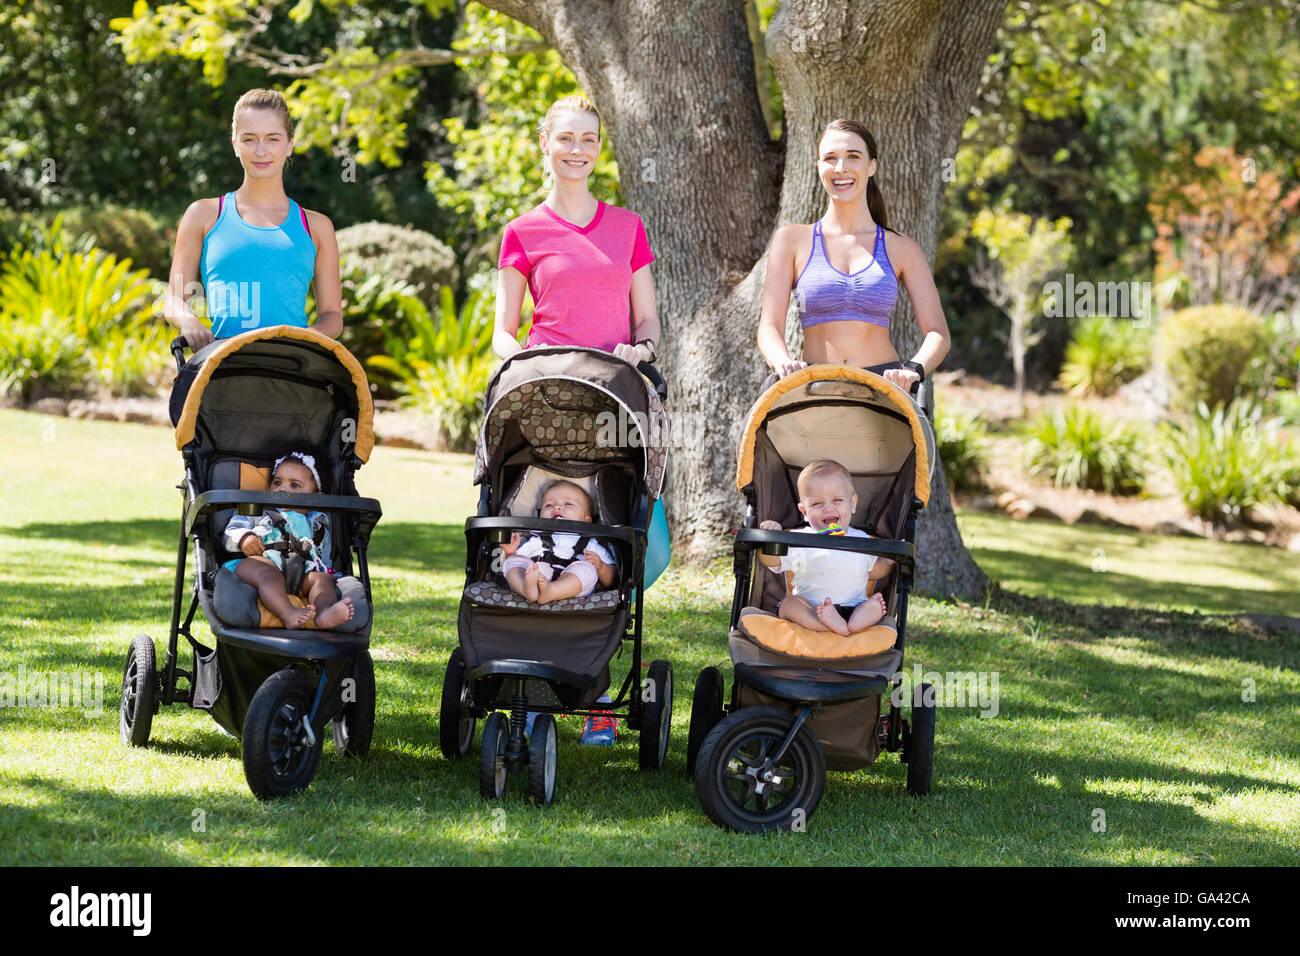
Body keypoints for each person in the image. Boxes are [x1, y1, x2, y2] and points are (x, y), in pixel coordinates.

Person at [491, 94, 665, 744]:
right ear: (546, 142)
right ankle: (522, 673)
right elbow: (502, 334)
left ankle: (596, 686)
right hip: (545, 398)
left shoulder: (628, 228)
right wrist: (529, 361)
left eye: (588, 139)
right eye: (566, 138)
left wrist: (639, 350)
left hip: (614, 400)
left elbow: (646, 320)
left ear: (599, 147)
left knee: (615, 532)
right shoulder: (522, 231)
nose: (577, 149)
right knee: (531, 527)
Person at [756, 119, 951, 392]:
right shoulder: (791, 240)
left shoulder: (902, 248)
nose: (840, 168)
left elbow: (938, 333)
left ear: (871, 166)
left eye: (853, 157)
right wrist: (783, 362)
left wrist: (913, 369)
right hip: (812, 387)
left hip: (882, 390)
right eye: (830, 158)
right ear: (819, 167)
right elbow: (769, 327)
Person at [163, 88, 343, 350]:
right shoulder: (202, 216)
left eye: (273, 139)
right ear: (235, 144)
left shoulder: (317, 227)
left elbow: (332, 316)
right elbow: (174, 299)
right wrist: (188, 320)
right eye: (249, 139)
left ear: (290, 145)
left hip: (293, 372)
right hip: (223, 370)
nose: (261, 151)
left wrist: (304, 340)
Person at [758, 459, 894, 636]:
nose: (828, 509)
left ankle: (857, 619)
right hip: (812, 609)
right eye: (817, 504)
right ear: (804, 512)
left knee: (869, 605)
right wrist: (770, 538)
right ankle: (836, 625)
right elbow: (770, 560)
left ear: (853, 504)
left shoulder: (863, 539)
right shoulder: (800, 539)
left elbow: (873, 571)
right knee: (789, 604)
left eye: (837, 500)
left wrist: (887, 562)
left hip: (854, 608)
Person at [222, 452, 355, 630]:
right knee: (266, 573)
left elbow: (324, 558)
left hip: (300, 571)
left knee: (321, 580)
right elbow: (232, 531)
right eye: (277, 482)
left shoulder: (318, 523)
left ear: (316, 494)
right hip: (258, 564)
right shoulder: (258, 509)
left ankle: (325, 613)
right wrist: (245, 538)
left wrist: (329, 576)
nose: (283, 489)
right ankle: (288, 614)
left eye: (294, 485)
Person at [499, 480, 617, 604]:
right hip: (537, 575)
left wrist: (601, 567)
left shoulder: (591, 544)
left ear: (586, 521)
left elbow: (611, 580)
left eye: (568, 504)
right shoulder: (536, 538)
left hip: (573, 588)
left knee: (588, 570)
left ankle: (552, 591)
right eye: (548, 505)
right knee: (512, 562)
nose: (557, 507)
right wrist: (511, 553)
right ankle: (527, 588)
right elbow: (518, 563)